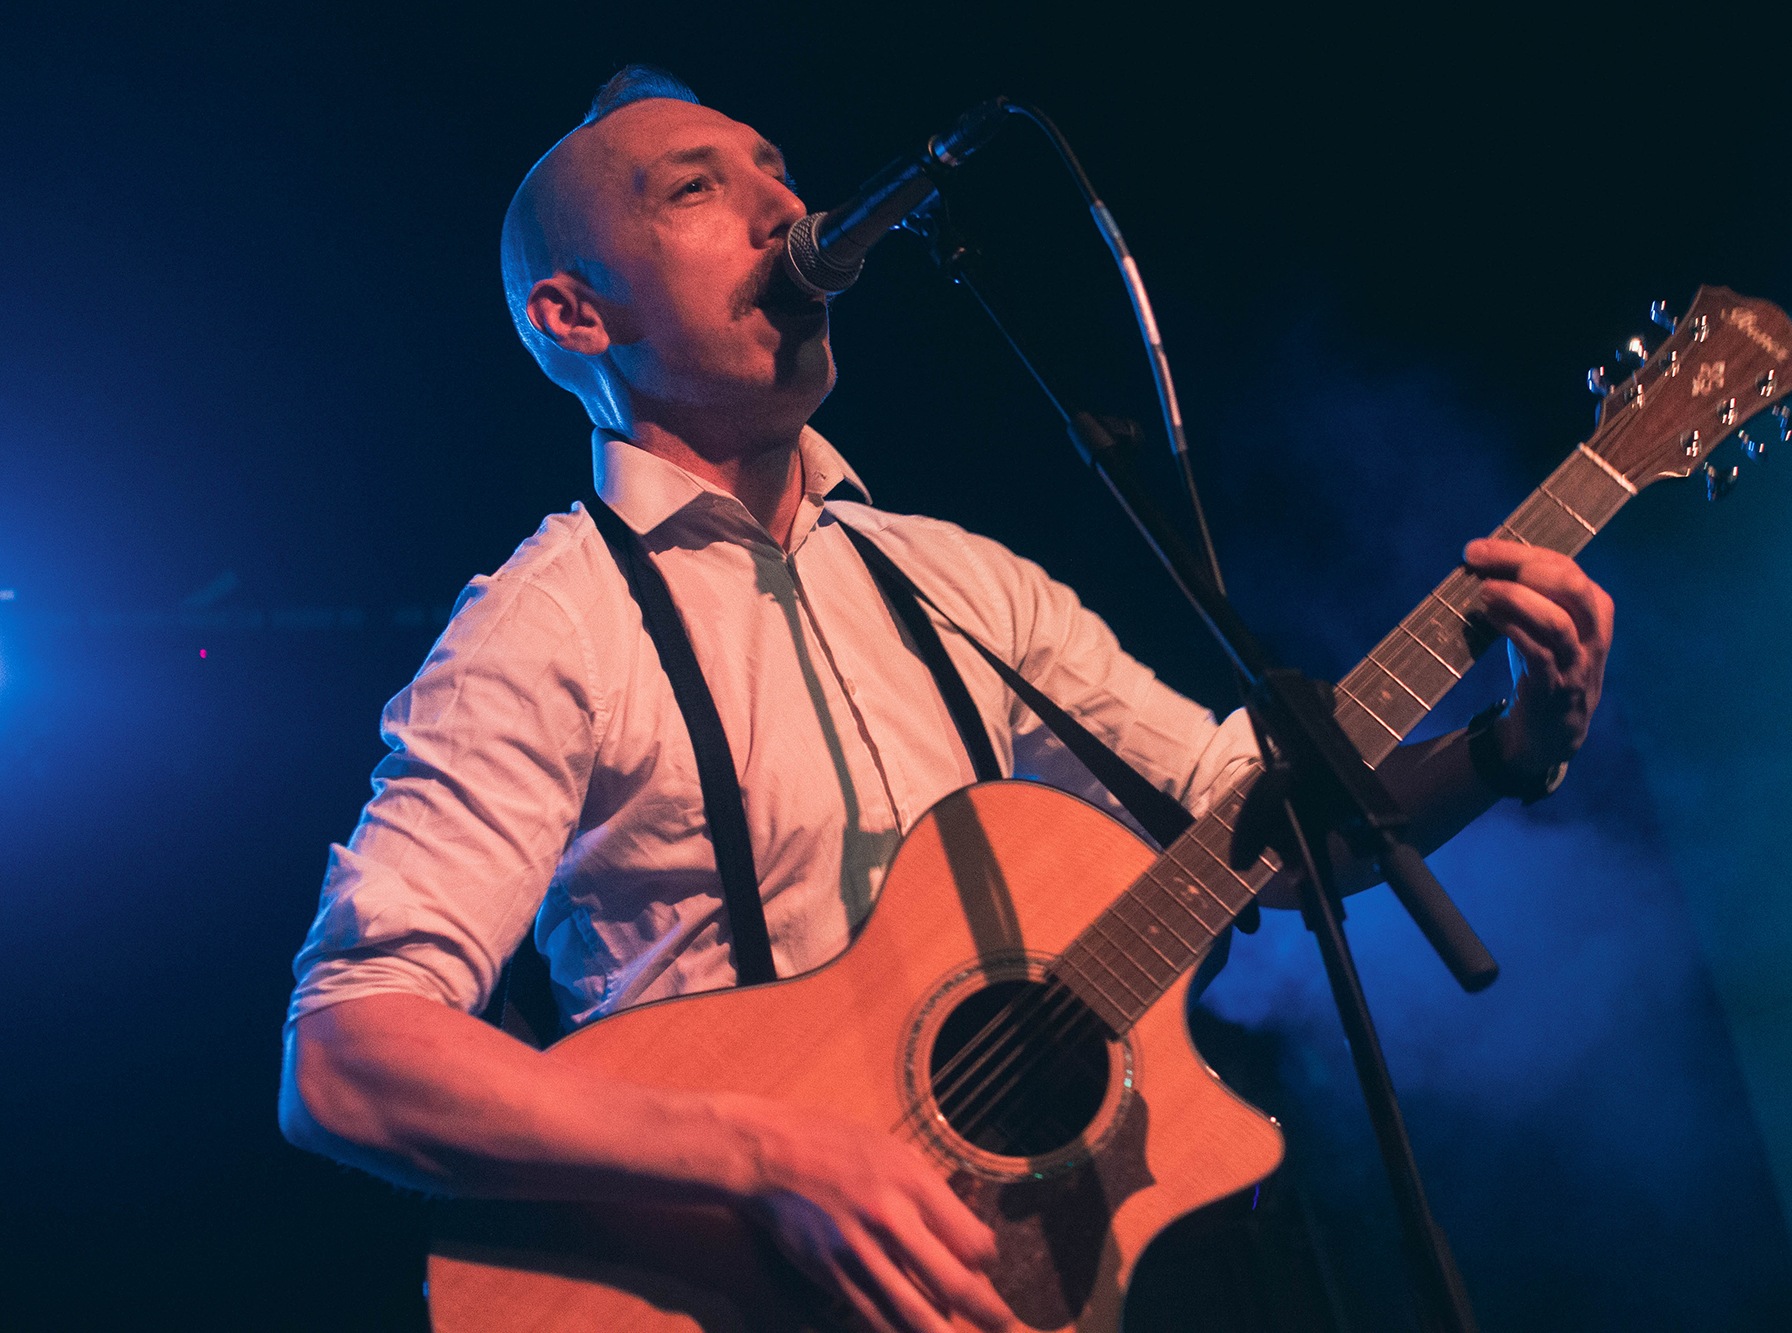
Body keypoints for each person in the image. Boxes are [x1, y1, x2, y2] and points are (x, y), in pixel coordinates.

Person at [279, 67, 1615, 1333]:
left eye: (776, 175)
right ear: (575, 313)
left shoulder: (960, 582)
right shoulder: (549, 620)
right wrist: (765, 1151)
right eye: (698, 190)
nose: (786, 213)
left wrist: (1511, 747)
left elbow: (1256, 835)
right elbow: (348, 1056)